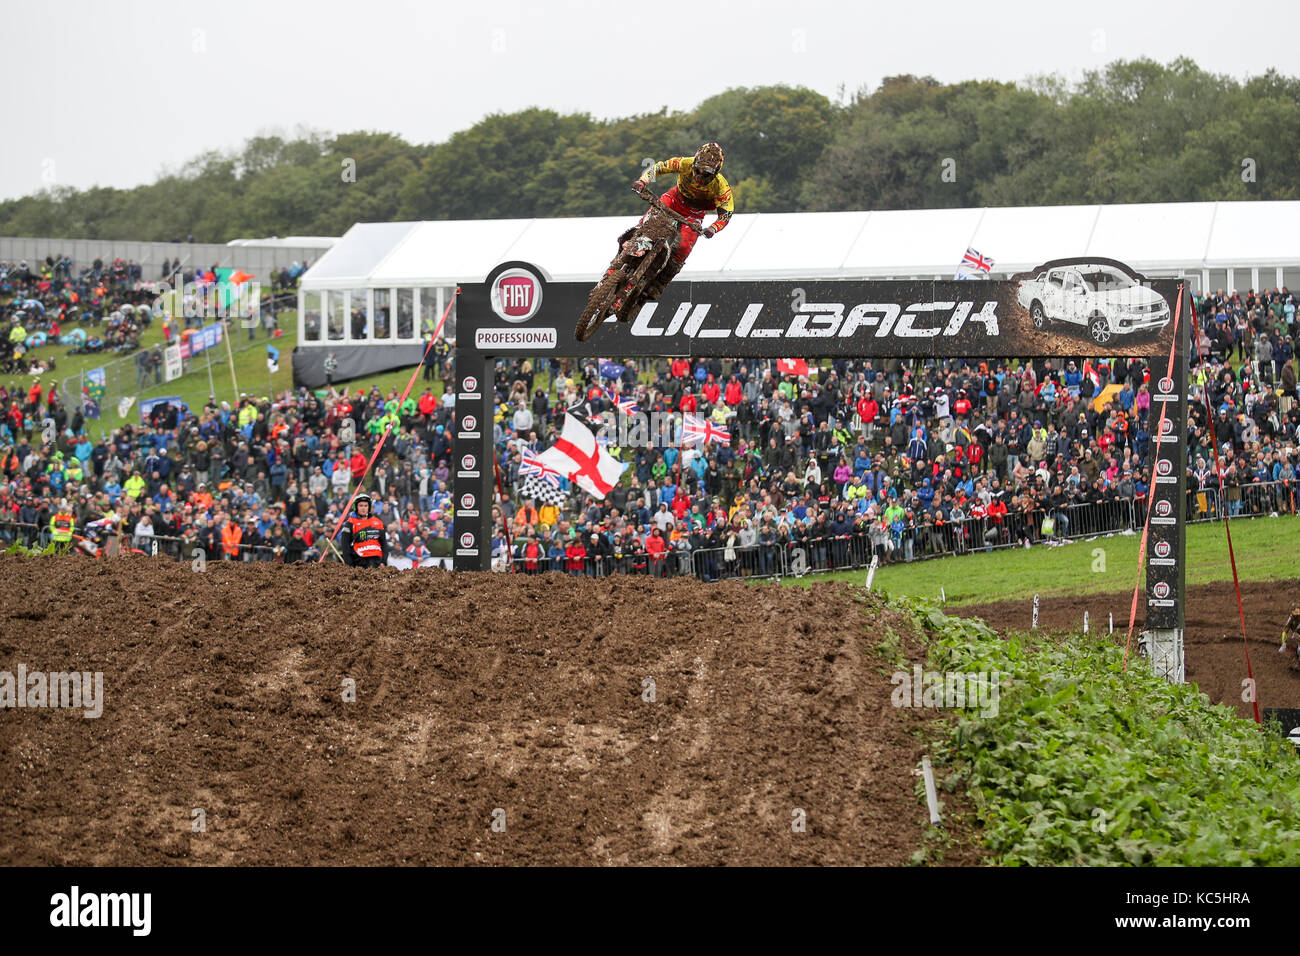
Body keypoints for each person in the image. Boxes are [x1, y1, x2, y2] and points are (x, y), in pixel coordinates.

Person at [623, 142, 733, 318]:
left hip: (695, 214)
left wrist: (713, 228)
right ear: (695, 162)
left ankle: (658, 285)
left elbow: (726, 214)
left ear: (716, 172)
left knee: (683, 248)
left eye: (707, 174)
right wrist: (643, 180)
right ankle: (630, 245)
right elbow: (659, 167)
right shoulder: (684, 163)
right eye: (698, 170)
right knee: (650, 220)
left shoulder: (721, 187)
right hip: (675, 199)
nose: (700, 175)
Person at [338, 492, 387, 568]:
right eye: (361, 506)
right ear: (356, 507)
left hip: (377, 561)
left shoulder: (378, 522)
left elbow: (384, 544)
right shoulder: (350, 523)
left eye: (366, 506)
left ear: (369, 507)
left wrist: (384, 561)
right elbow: (345, 546)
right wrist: (350, 565)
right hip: (359, 562)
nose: (363, 508)